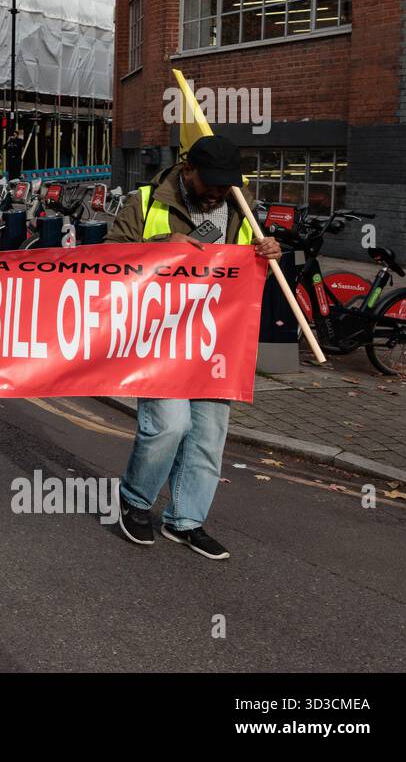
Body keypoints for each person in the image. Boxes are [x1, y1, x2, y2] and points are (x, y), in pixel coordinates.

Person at [105, 134, 281, 560]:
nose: (219, 191)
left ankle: (186, 521)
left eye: (227, 183)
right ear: (188, 170)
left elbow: (251, 274)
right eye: (211, 182)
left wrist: (270, 254)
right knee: (169, 424)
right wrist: (161, 248)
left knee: (207, 435)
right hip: (159, 336)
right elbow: (109, 258)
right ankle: (134, 501)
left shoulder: (243, 210)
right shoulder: (146, 202)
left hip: (215, 338)